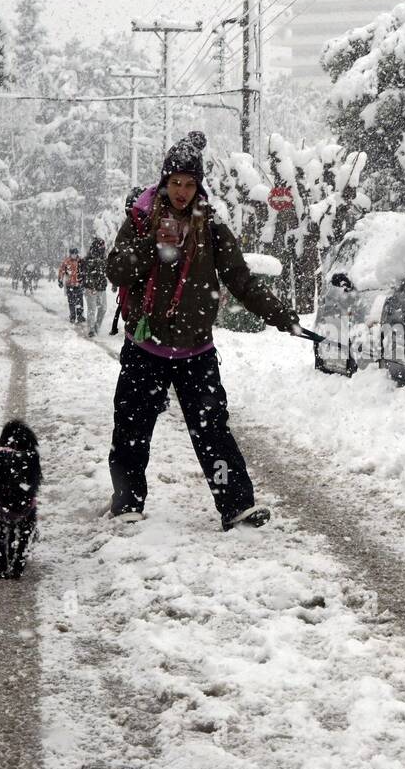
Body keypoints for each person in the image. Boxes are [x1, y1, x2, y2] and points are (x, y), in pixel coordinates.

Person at [106, 131, 299, 530]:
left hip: (196, 350)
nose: (182, 191)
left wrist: (282, 316)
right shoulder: (141, 221)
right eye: (175, 183)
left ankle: (236, 505)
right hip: (145, 348)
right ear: (164, 183)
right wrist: (150, 247)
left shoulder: (210, 228)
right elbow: (114, 270)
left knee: (213, 431)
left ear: (199, 187)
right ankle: (127, 502)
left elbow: (241, 281)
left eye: (190, 184)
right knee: (132, 429)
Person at [83, 235, 108, 337]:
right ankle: (91, 329)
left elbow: (108, 271)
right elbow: (88, 274)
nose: (103, 247)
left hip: (102, 288)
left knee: (103, 308)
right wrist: (92, 286)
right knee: (92, 309)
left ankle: (97, 326)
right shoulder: (89, 259)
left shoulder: (104, 258)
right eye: (101, 245)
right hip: (90, 288)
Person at [58, 248, 84, 323]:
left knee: (80, 301)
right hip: (70, 284)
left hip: (78, 284)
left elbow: (84, 271)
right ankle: (72, 316)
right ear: (70, 254)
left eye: (75, 254)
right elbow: (61, 271)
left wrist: (83, 281)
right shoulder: (66, 261)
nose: (74, 255)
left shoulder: (80, 261)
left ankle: (80, 316)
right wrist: (60, 280)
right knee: (71, 302)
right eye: (73, 254)